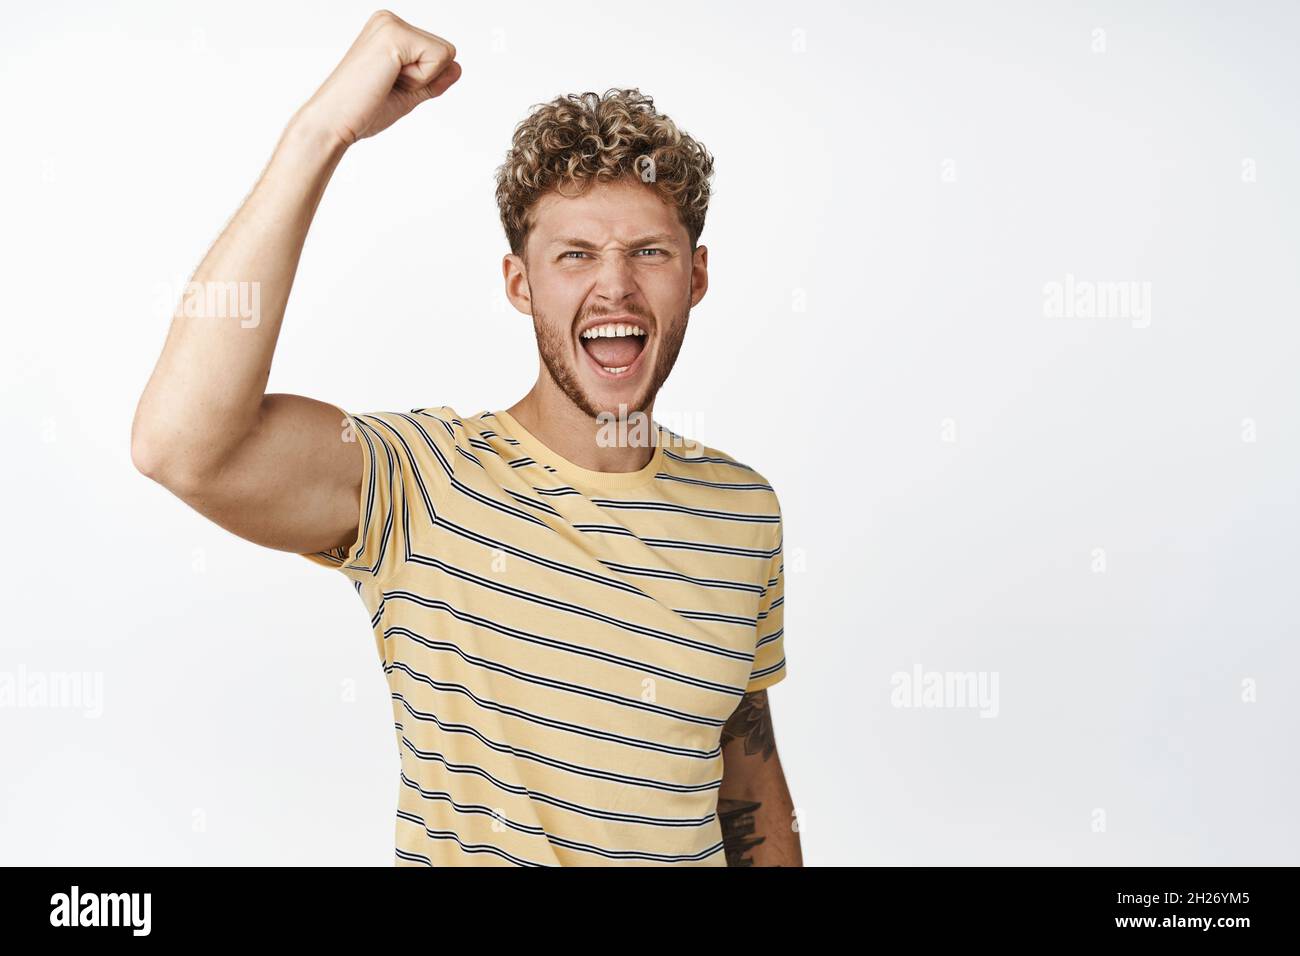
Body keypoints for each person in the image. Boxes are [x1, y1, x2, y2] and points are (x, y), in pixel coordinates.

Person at [131, 10, 799, 867]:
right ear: (520, 284)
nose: (615, 287)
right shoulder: (423, 483)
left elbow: (749, 792)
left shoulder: (743, 508)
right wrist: (320, 132)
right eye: (574, 256)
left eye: (649, 252)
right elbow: (180, 445)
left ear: (695, 276)